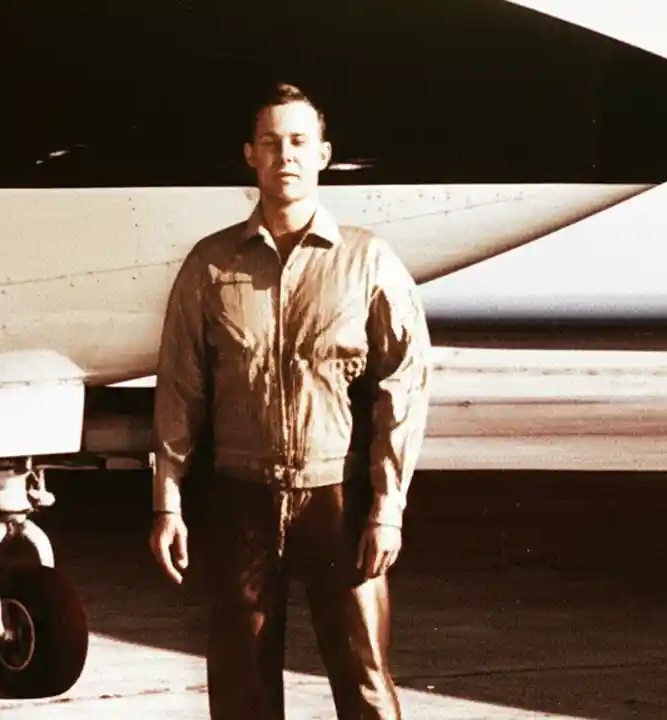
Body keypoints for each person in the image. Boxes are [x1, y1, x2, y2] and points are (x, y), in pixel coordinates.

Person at [149, 82, 431, 720]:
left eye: (300, 142)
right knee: (241, 689)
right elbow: (180, 389)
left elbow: (403, 390)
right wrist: (167, 501)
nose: (286, 156)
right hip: (241, 501)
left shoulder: (369, 263)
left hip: (339, 498)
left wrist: (387, 508)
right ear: (250, 154)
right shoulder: (210, 265)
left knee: (365, 682)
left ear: (325, 154)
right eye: (272, 143)